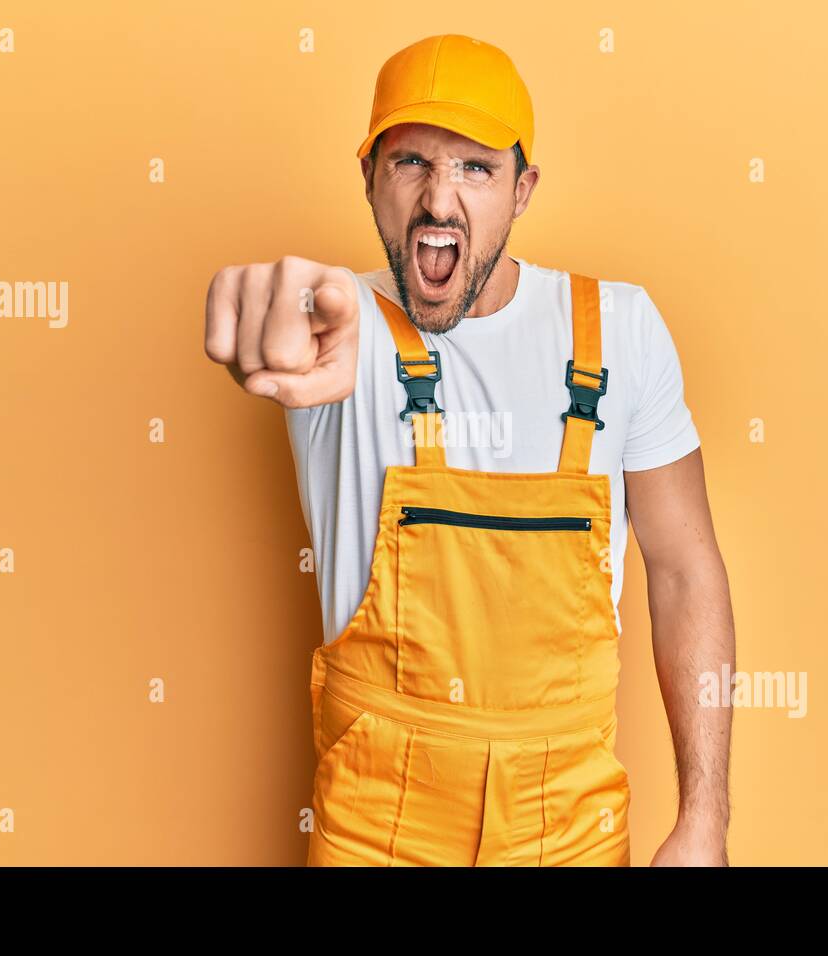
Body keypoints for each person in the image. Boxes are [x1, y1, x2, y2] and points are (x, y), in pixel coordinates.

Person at [204, 34, 734, 866]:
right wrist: (272, 307)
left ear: (523, 189)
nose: (438, 200)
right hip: (376, 827)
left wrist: (705, 818)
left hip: (570, 827)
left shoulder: (620, 331)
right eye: (410, 161)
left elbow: (684, 569)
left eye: (475, 168)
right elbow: (296, 307)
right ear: (369, 178)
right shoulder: (341, 335)